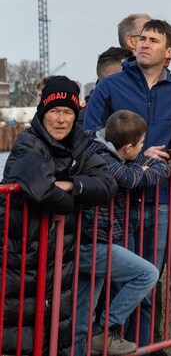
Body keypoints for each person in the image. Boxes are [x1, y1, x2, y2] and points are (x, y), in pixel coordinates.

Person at [84, 20, 171, 345]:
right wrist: (138, 153)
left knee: (148, 282)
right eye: (142, 38)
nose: (144, 44)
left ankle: (141, 348)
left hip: (157, 201)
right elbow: (90, 137)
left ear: (169, 52)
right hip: (115, 202)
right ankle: (104, 339)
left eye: (153, 40)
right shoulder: (109, 87)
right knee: (117, 281)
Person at [1, 77, 117, 356]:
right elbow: (45, 194)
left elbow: (107, 184)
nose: (61, 120)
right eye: (55, 111)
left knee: (50, 333)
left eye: (68, 112)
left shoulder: (81, 144)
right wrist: (73, 193)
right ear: (43, 112)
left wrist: (71, 184)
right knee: (17, 332)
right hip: (20, 256)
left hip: (59, 258)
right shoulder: (26, 144)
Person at [76, 111, 169, 356]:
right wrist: (146, 164)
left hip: (92, 237)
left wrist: (142, 163)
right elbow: (133, 177)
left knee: (83, 312)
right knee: (147, 274)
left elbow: (151, 169)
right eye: (140, 145)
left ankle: (92, 338)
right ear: (127, 148)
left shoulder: (95, 143)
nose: (143, 149)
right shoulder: (106, 162)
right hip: (90, 240)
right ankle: (107, 328)